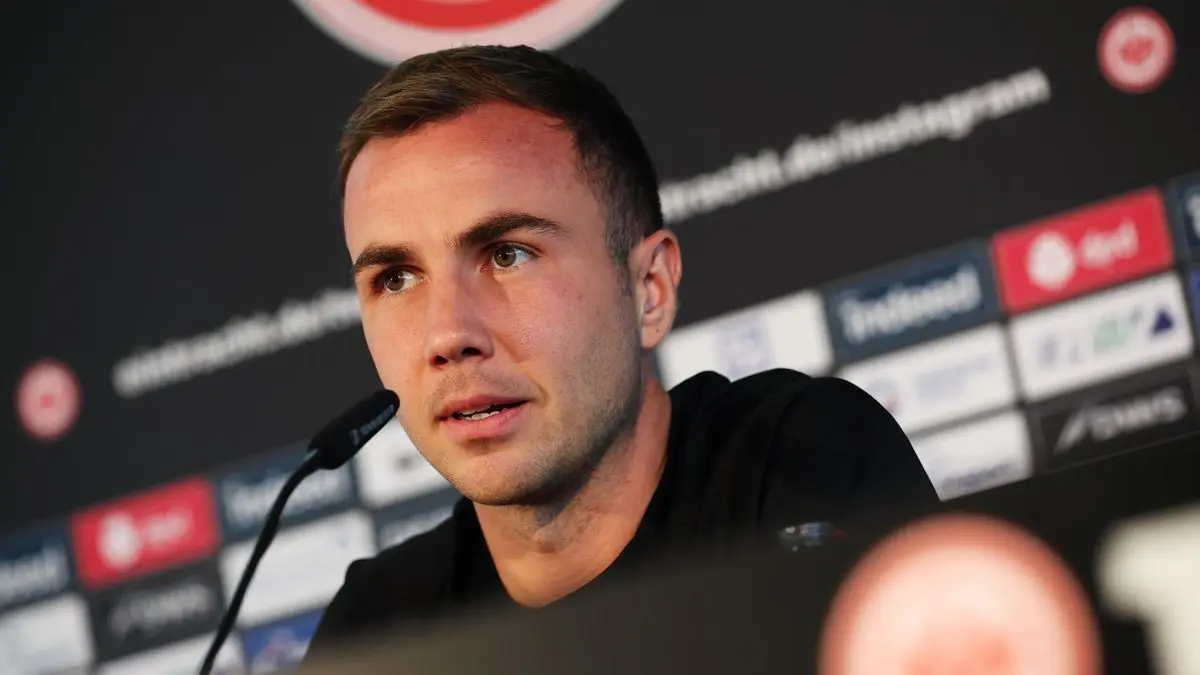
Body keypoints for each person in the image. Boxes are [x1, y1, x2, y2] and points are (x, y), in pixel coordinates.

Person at [303, 44, 938, 661]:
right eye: (396, 279)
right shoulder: (375, 629)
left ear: (649, 290)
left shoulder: (801, 458)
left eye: (508, 254)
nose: (447, 336)